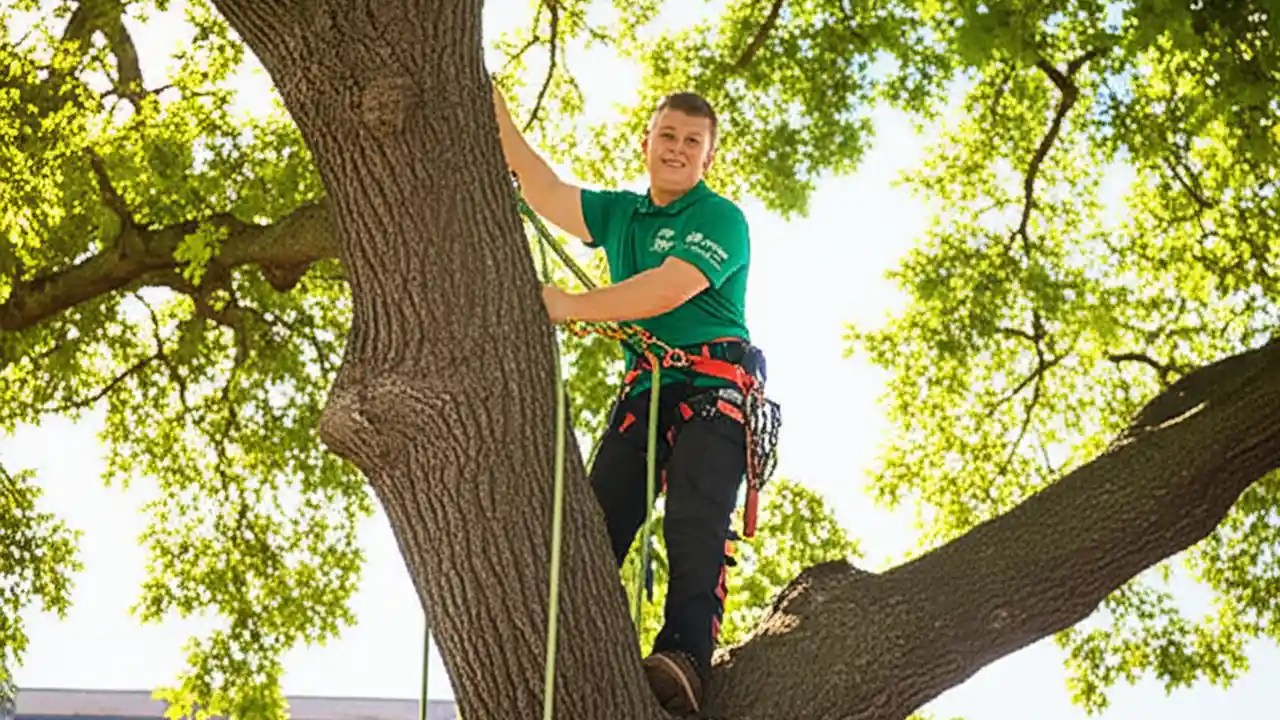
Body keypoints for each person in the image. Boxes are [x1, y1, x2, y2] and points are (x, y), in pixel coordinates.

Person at [492, 83, 758, 714]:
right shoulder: (619, 215)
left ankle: (684, 656)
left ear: (708, 159)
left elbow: (667, 289)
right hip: (646, 390)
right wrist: (491, 102)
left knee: (695, 519)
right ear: (647, 143)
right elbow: (541, 185)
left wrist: (571, 307)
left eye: (693, 142)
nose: (677, 149)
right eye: (668, 136)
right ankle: (576, 645)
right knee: (593, 520)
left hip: (711, 390)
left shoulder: (719, 218)